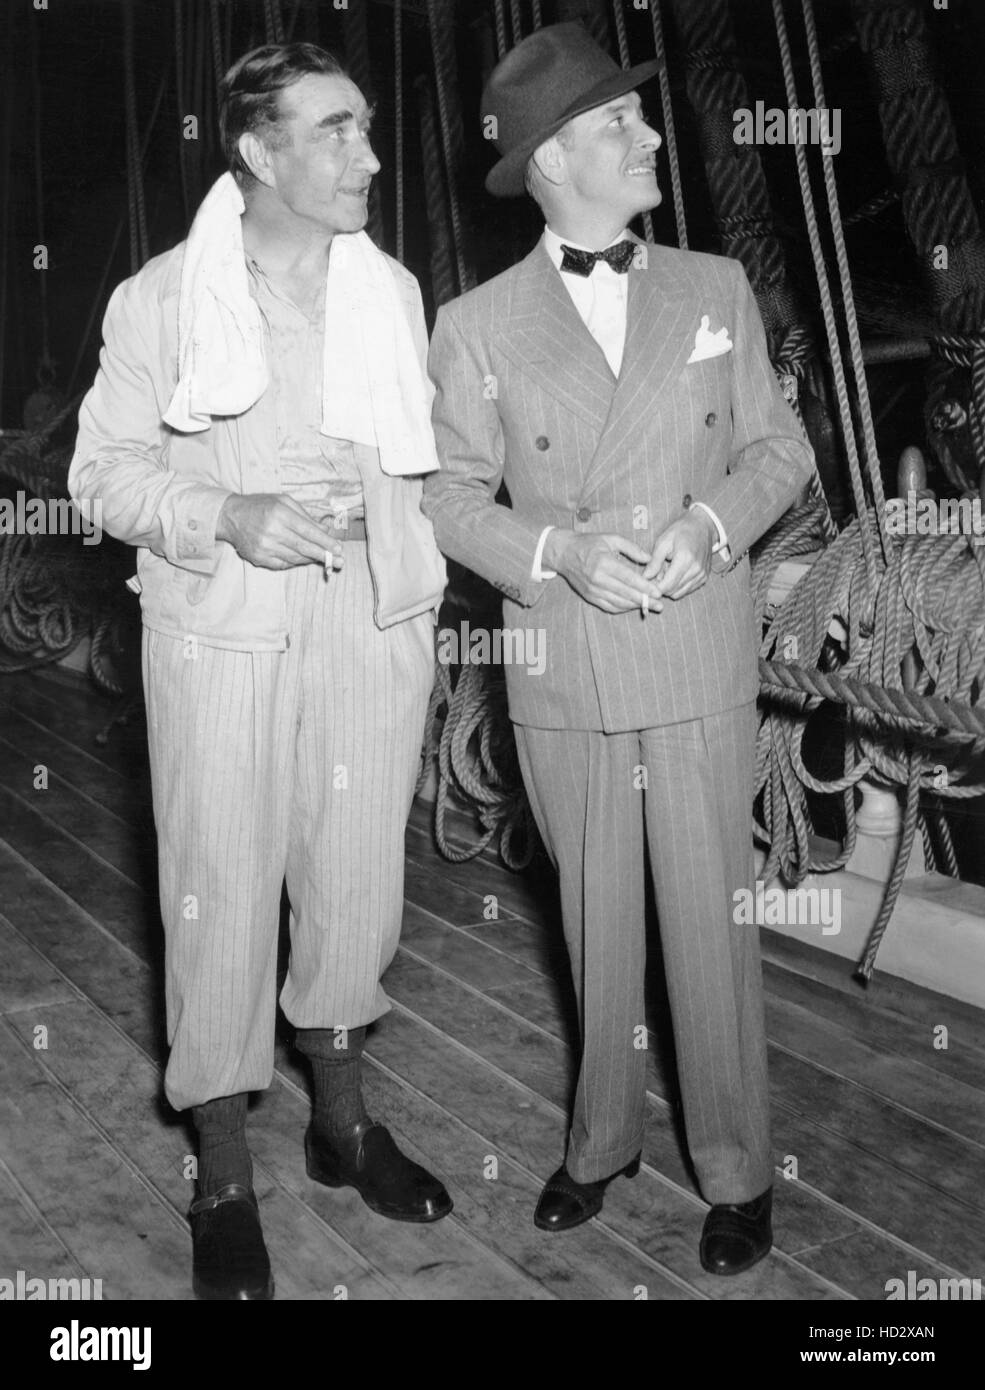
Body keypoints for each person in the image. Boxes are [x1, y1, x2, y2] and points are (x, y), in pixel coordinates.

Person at [423, 23, 814, 1276]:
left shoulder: (714, 290)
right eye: (616, 126)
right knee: (592, 919)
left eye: (637, 120)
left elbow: (782, 451)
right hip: (563, 658)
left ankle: (739, 1171)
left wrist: (710, 527)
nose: (651, 136)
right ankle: (599, 1143)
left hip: (694, 649)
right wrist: (557, 554)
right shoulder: (474, 324)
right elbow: (446, 499)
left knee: (708, 918)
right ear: (547, 162)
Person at [69, 43, 452, 1302]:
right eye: (338, 133)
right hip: (222, 631)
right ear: (258, 151)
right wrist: (226, 512)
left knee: (353, 883)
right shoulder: (163, 299)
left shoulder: (390, 291)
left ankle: (340, 1126)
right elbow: (103, 475)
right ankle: (223, 1169)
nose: (371, 158)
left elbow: (428, 468)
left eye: (368, 130)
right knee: (218, 887)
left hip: (368, 629)